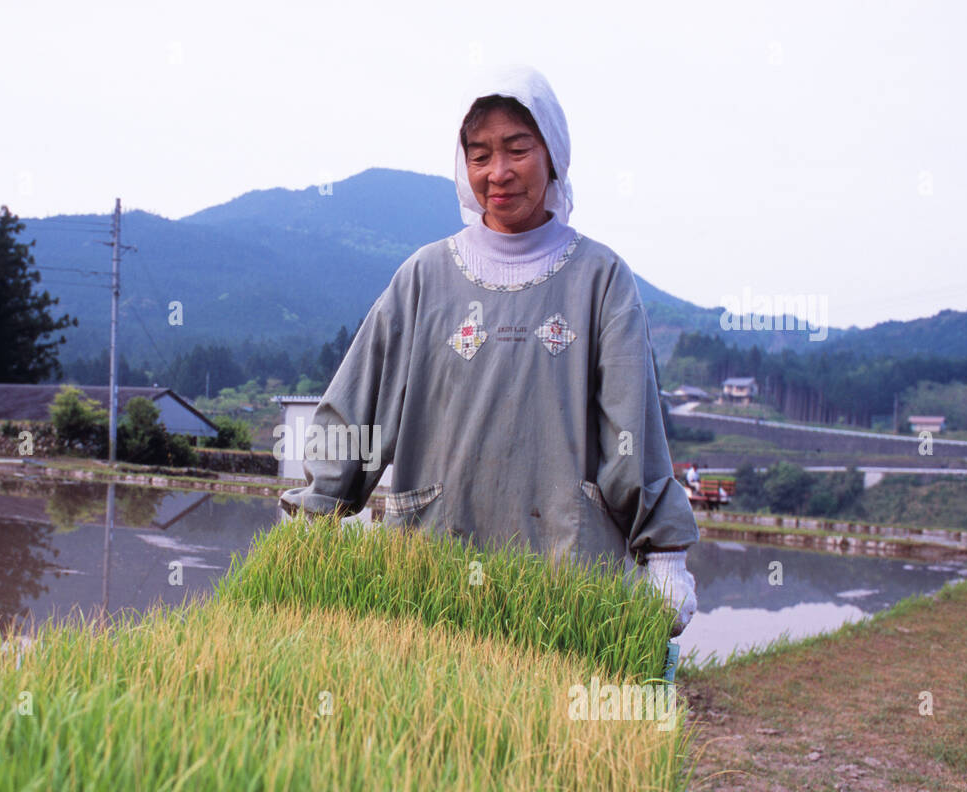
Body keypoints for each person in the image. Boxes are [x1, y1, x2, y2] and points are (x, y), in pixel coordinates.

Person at [278, 64, 699, 635]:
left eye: (516, 149)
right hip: (432, 565)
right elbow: (358, 409)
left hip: (567, 574)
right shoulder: (425, 277)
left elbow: (632, 428)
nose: (497, 172)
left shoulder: (599, 279)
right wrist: (313, 518)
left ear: (552, 152)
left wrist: (665, 554)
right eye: (479, 155)